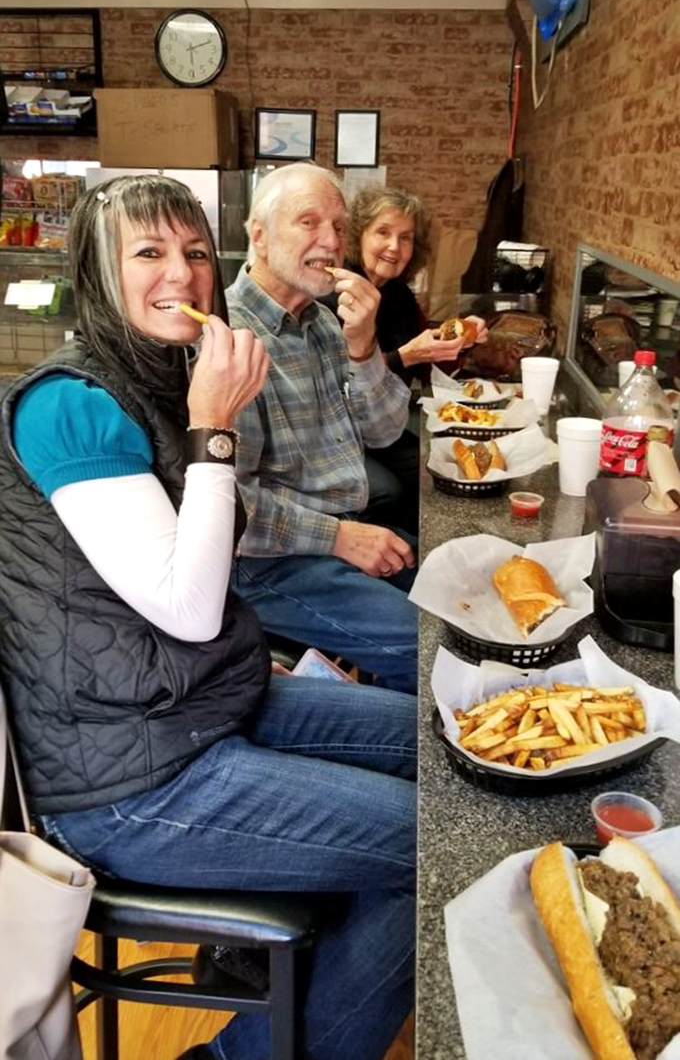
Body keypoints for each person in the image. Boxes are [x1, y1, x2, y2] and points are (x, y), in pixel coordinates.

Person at [0, 175, 416, 1060]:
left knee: (436, 750)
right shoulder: (70, 404)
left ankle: (306, 969)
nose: (181, 276)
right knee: (431, 845)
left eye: (194, 252)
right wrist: (213, 428)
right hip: (124, 780)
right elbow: (189, 606)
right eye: (148, 253)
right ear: (97, 274)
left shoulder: (169, 369)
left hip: (196, 703)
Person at [227, 162, 418, 695]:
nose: (330, 241)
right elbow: (230, 505)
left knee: (459, 602)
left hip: (336, 532)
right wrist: (339, 537)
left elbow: (383, 431)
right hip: (267, 560)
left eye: (337, 228)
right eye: (308, 222)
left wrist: (364, 347)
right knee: (423, 646)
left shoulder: (325, 323)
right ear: (259, 236)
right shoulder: (228, 339)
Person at [339, 184, 487, 532]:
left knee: (440, 460)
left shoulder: (400, 295)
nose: (395, 246)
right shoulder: (340, 294)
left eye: (406, 237)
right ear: (358, 235)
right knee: (387, 493)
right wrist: (406, 355)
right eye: (383, 233)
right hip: (340, 434)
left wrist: (464, 339)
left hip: (385, 427)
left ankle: (433, 547)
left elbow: (434, 359)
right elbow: (339, 386)